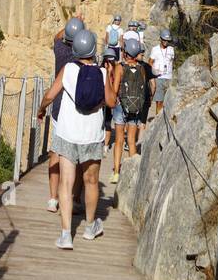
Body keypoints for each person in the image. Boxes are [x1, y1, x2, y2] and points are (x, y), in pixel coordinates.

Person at [38, 27, 117, 248]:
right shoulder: (101, 73)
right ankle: (90, 227)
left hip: (67, 133)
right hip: (91, 135)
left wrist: (41, 109)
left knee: (66, 182)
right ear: (93, 49)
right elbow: (111, 102)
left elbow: (50, 95)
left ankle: (65, 234)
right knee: (91, 182)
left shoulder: (68, 70)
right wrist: (109, 74)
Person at [46, 16, 84, 212]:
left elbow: (56, 36)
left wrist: (70, 22)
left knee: (56, 153)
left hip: (58, 108)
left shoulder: (59, 49)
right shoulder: (83, 58)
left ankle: (53, 199)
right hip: (77, 110)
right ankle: (75, 198)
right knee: (76, 156)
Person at [109, 33, 151, 183]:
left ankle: (116, 173)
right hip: (135, 108)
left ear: (126, 52)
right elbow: (143, 89)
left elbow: (115, 90)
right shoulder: (142, 69)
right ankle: (132, 175)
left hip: (121, 106)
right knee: (131, 140)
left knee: (119, 140)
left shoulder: (120, 67)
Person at [149, 28, 175, 115]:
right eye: (164, 39)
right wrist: (153, 76)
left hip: (169, 78)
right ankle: (157, 121)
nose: (165, 42)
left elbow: (172, 61)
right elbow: (150, 63)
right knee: (159, 102)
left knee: (167, 102)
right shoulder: (155, 49)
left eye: (167, 40)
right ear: (160, 38)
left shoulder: (171, 49)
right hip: (159, 78)